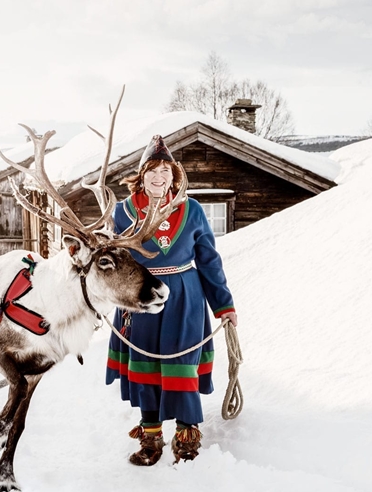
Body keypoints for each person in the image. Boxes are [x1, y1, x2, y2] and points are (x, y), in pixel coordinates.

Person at [106, 134, 238, 466]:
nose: (159, 177)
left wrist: (223, 306)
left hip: (185, 299)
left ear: (174, 176)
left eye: (165, 170)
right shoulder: (122, 213)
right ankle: (151, 439)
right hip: (140, 299)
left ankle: (186, 437)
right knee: (146, 368)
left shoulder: (191, 210)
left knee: (182, 366)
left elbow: (209, 261)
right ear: (141, 175)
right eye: (152, 170)